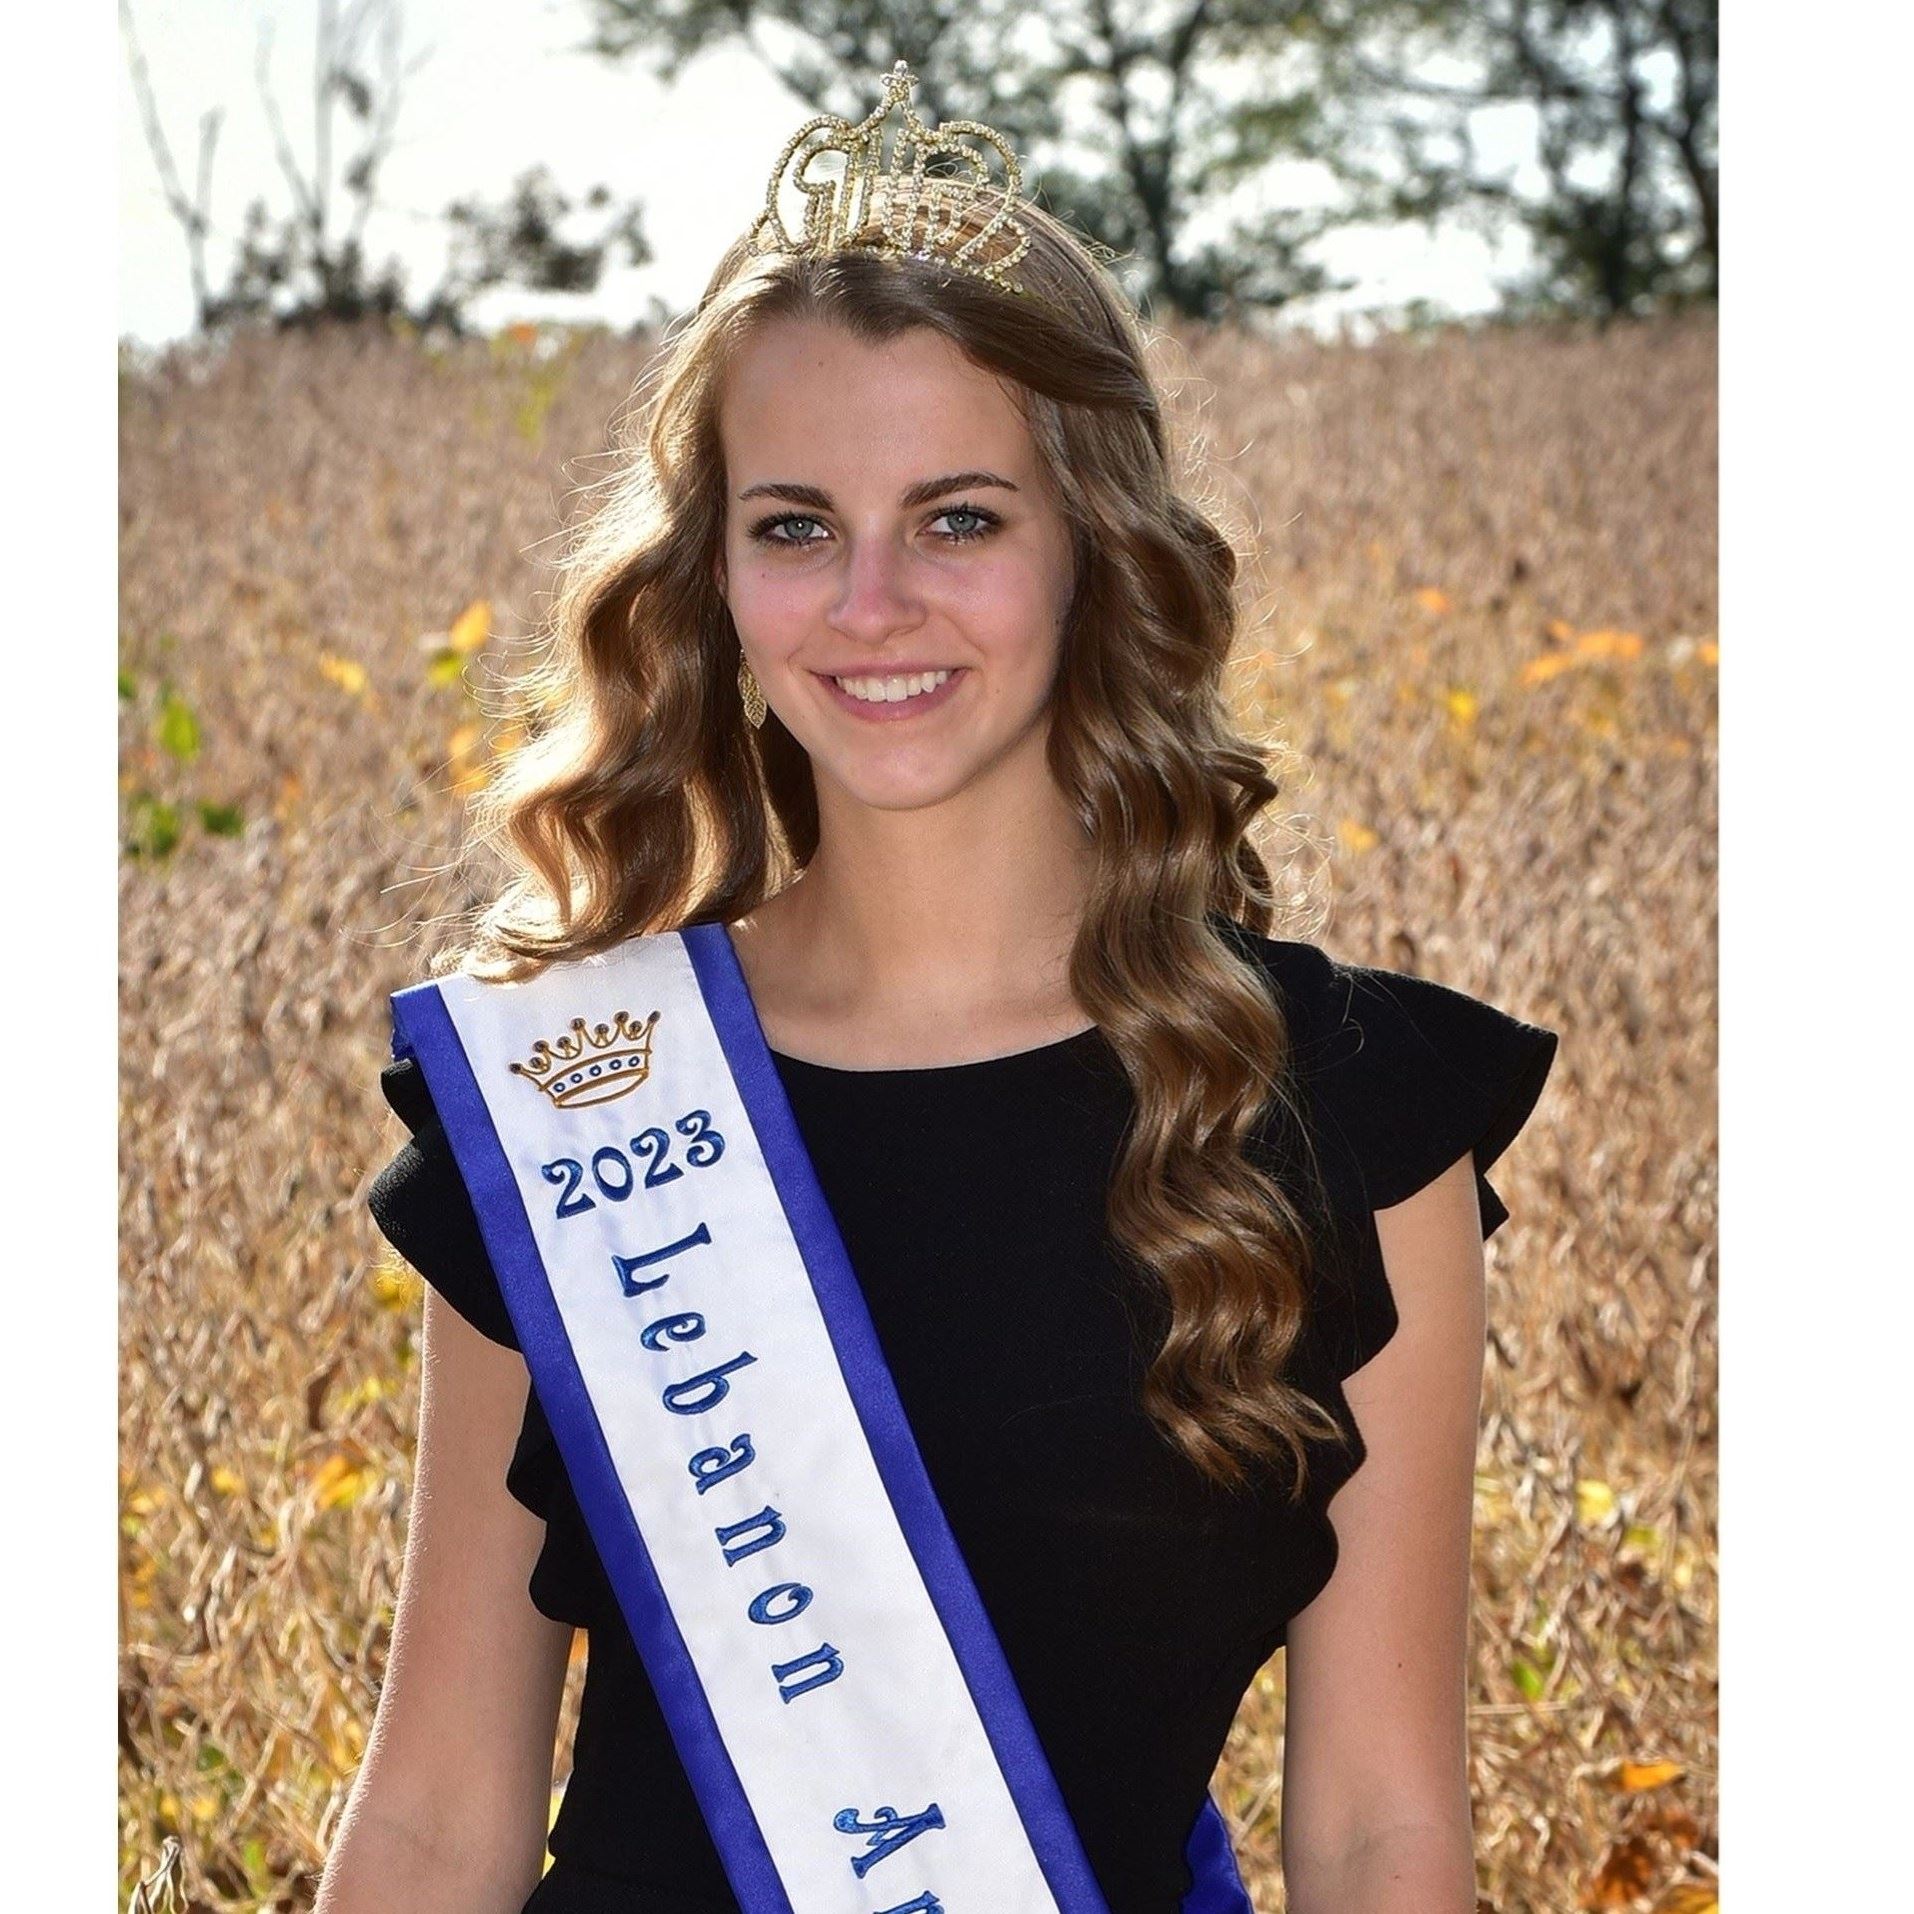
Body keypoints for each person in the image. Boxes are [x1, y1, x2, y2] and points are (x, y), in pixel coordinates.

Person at [315, 61, 1557, 1914]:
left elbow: (1382, 1825)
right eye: (796, 524)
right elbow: (433, 1811)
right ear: (714, 582)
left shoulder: (1342, 1116)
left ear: (1094, 556)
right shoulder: (588, 1105)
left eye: (960, 518)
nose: (871, 600)